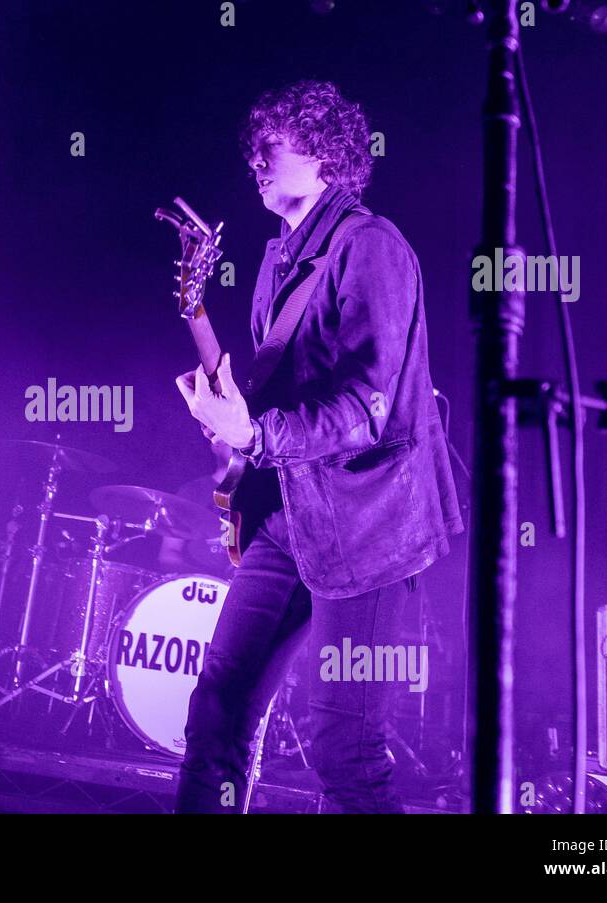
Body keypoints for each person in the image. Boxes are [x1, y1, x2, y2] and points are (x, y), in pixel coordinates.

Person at [173, 80, 462, 813]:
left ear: (327, 156)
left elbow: (368, 409)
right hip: (289, 514)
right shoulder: (278, 259)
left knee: (344, 747)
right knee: (216, 707)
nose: (256, 161)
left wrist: (255, 433)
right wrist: (228, 420)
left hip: (369, 528)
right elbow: (278, 398)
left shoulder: (372, 248)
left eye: (273, 147)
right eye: (254, 149)